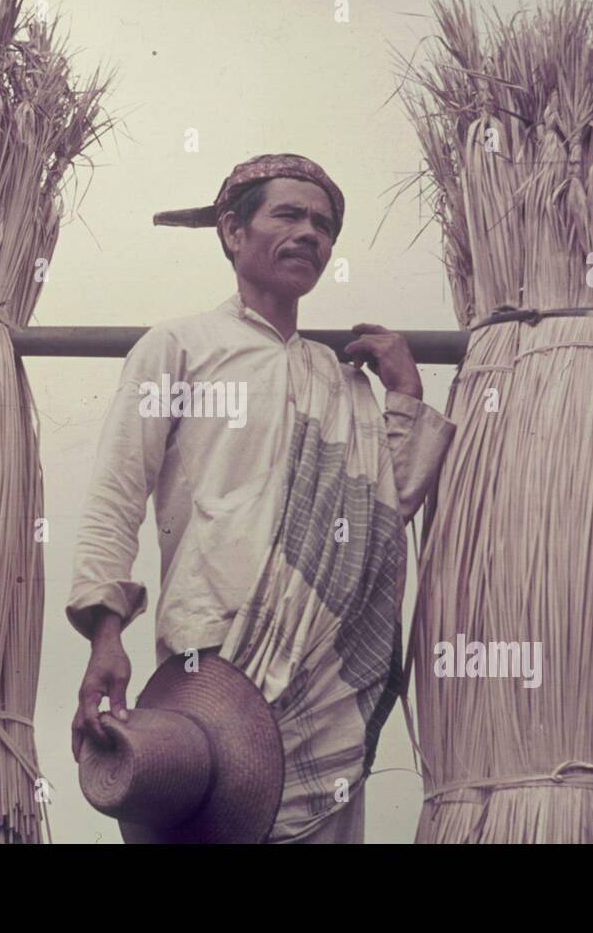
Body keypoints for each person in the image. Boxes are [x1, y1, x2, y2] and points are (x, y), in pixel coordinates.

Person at [65, 153, 456, 842]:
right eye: (290, 214)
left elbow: (383, 518)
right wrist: (105, 634)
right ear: (232, 232)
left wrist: (404, 398)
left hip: (327, 674)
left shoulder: (340, 382)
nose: (311, 233)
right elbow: (116, 492)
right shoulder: (180, 347)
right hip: (214, 654)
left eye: (324, 224)